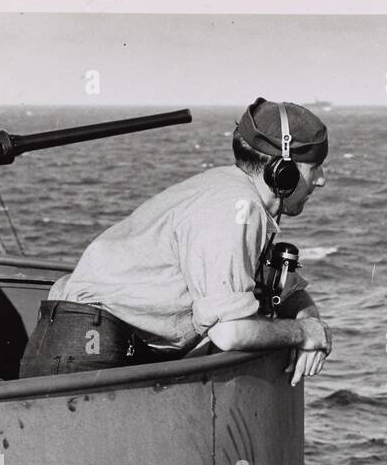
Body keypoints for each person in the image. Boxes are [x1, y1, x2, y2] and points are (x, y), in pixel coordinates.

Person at [19, 97, 333, 383]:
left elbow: (281, 285)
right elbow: (230, 331)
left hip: (86, 341)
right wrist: (302, 333)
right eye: (314, 167)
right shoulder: (235, 209)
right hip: (87, 349)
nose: (321, 180)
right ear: (284, 172)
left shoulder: (229, 192)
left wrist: (310, 322)